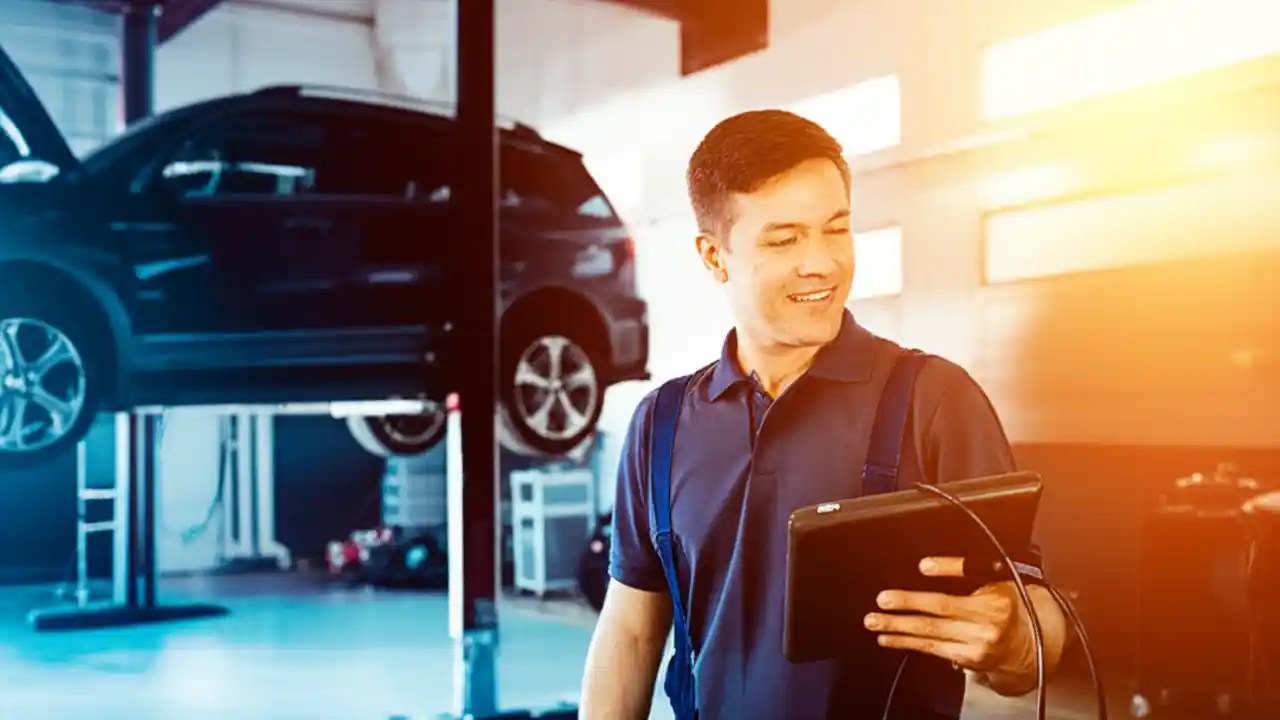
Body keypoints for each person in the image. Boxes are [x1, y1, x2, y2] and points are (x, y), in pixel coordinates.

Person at [579, 110, 1067, 719]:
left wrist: (1016, 640)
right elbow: (630, 628)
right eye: (784, 240)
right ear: (713, 256)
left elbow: (1034, 614)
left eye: (835, 230)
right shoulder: (662, 423)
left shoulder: (934, 400)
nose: (822, 264)